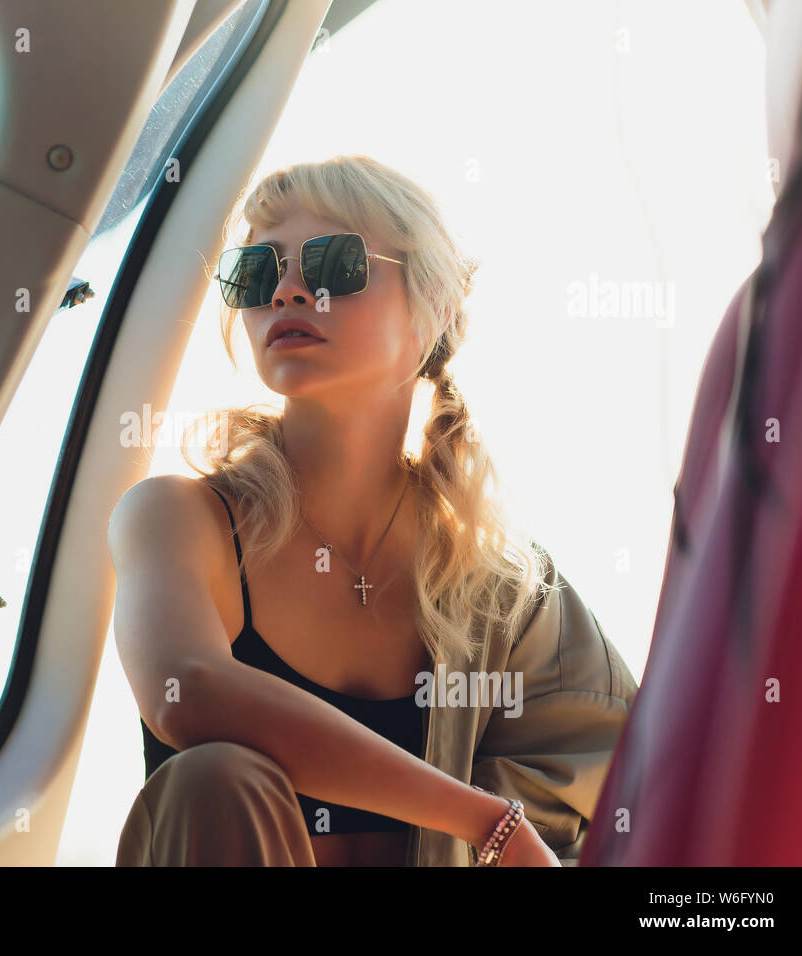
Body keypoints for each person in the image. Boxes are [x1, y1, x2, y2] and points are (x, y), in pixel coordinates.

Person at [108, 154, 637, 866]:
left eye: (334, 266)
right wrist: (487, 824)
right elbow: (187, 694)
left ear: (434, 309)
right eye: (258, 274)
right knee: (215, 776)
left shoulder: (507, 592)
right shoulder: (180, 519)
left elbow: (634, 788)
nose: (290, 291)